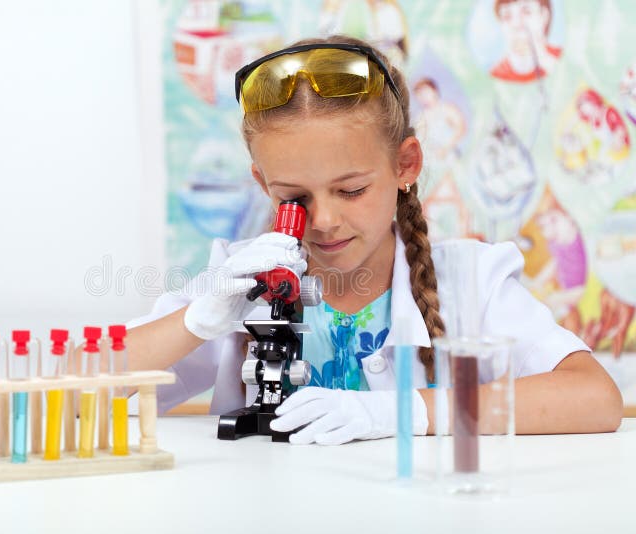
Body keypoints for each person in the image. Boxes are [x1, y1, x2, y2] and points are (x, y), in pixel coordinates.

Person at [125, 36, 622, 445]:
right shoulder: (238, 280)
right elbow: (90, 390)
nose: (324, 220)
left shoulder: (473, 279)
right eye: (294, 197)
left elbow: (595, 397)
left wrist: (401, 411)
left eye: (351, 190)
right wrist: (196, 321)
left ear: (405, 165)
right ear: (263, 184)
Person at [490, 0, 561, 83]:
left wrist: (543, 58)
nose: (517, 24)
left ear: (544, 15)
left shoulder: (563, 58)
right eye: (507, 16)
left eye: (526, 12)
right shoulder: (496, 75)